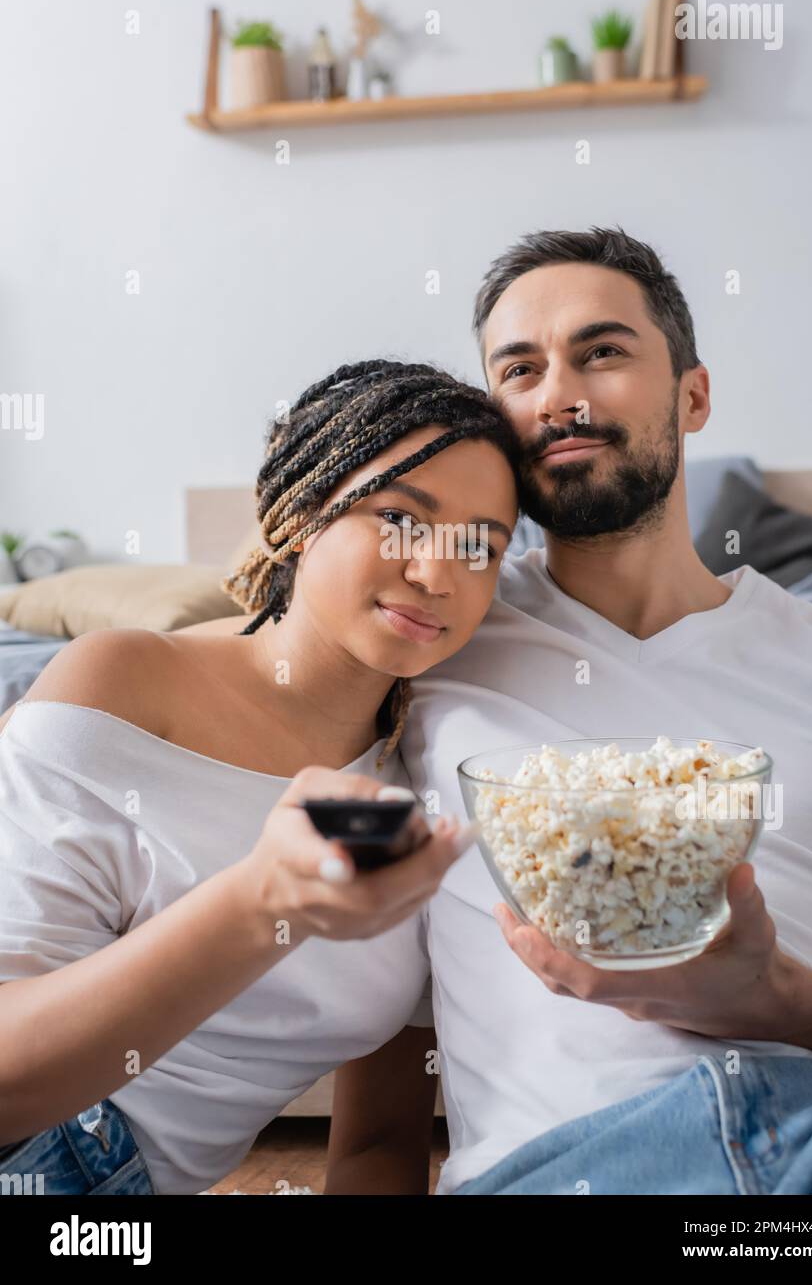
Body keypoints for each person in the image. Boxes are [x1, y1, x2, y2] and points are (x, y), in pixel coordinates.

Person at [329, 228, 812, 1196]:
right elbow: (375, 1134)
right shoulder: (430, 652)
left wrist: (786, 1000)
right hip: (574, 1169)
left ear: (692, 395)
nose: (560, 394)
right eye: (520, 369)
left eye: (603, 352)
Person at [0, 358, 520, 1195]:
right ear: (303, 511)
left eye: (480, 547)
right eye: (397, 519)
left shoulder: (421, 788)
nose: (436, 575)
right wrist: (259, 900)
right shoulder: (124, 681)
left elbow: (379, 1146)